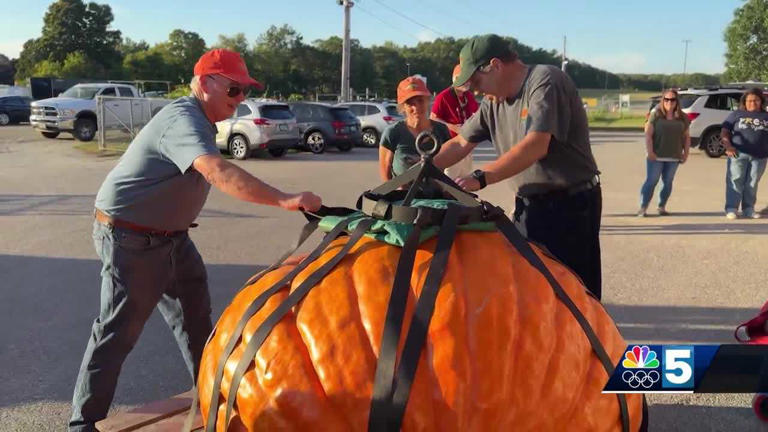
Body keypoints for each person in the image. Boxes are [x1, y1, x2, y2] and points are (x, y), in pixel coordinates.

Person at [69, 49, 322, 431]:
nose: (239, 100)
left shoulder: (203, 121)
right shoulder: (183, 118)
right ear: (205, 83)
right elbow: (217, 171)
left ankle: (213, 394)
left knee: (197, 321)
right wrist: (286, 199)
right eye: (233, 90)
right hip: (129, 237)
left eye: (243, 92)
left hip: (172, 239)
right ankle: (83, 424)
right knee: (117, 331)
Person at [434, 34, 603, 299]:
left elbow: (536, 144)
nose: (475, 90)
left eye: (476, 81)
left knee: (574, 295)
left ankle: (588, 341)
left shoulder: (546, 81)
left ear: (495, 65)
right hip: (530, 206)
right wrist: (422, 168)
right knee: (532, 290)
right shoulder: (492, 102)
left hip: (570, 207)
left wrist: (480, 177)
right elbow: (461, 143)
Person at [378, 76, 451, 181]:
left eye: (420, 101)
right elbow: (385, 178)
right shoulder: (392, 133)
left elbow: (450, 166)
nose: (416, 108)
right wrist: (393, 194)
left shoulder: (441, 131)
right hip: (404, 196)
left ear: (428, 101)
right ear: (402, 107)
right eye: (410, 103)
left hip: (435, 196)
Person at [637, 88, 691, 217]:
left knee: (667, 182)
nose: (669, 102)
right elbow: (648, 135)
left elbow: (686, 137)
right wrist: (650, 152)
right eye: (666, 99)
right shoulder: (655, 114)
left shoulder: (683, 117)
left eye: (672, 99)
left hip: (674, 156)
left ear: (677, 101)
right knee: (652, 180)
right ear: (663, 100)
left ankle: (661, 206)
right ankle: (643, 207)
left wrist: (685, 153)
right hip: (656, 155)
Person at [721, 87, 768, 219]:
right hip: (738, 154)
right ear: (744, 102)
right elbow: (724, 131)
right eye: (749, 101)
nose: (752, 103)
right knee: (735, 180)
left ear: (761, 101)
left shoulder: (766, 116)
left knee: (752, 183)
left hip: (760, 156)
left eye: (756, 100)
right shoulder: (736, 114)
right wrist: (728, 146)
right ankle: (732, 208)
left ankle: (748, 209)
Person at [430, 64, 480, 178]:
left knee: (464, 183)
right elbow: (433, 118)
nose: (467, 82)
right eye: (464, 79)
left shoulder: (469, 96)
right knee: (449, 184)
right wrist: (453, 127)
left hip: (466, 147)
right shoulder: (443, 96)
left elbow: (477, 115)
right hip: (451, 147)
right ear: (455, 79)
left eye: (469, 79)